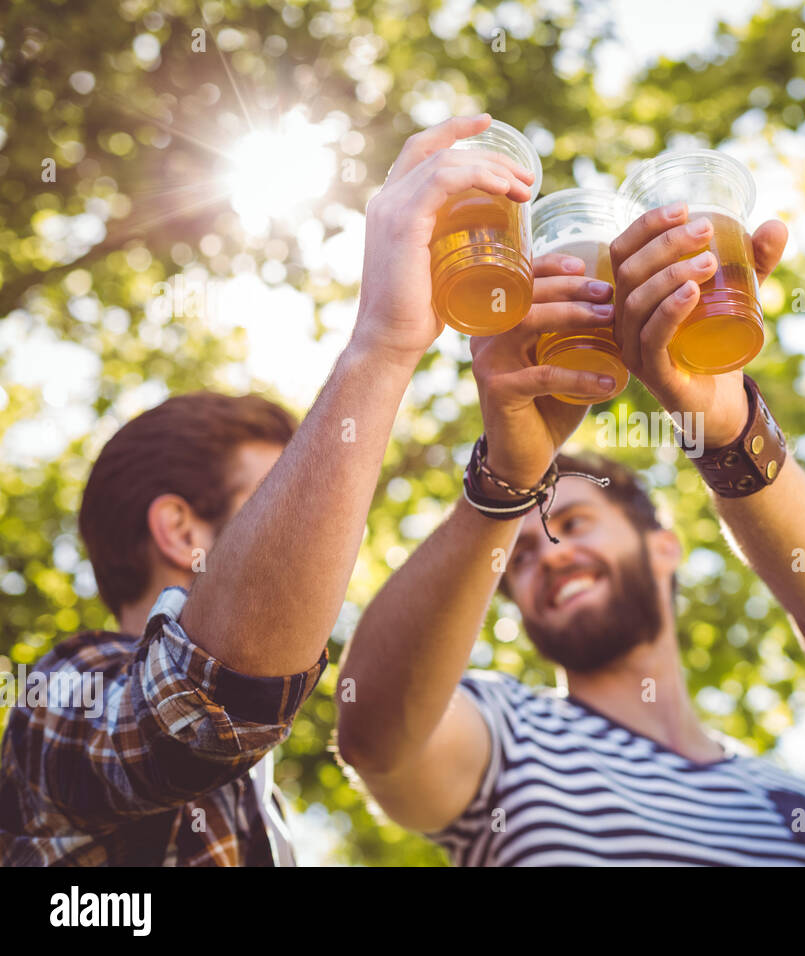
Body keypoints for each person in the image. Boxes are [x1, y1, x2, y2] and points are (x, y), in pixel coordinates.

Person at [0, 113, 550, 865]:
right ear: (180, 530)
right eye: (271, 496)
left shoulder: (259, 807)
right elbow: (204, 708)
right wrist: (383, 347)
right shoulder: (62, 698)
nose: (320, 523)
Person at [335, 208, 805, 866]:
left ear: (663, 546)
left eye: (573, 523)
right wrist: (504, 481)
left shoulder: (800, 809)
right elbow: (376, 739)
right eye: (518, 558)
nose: (549, 555)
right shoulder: (505, 729)